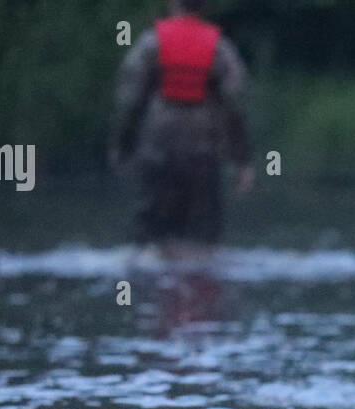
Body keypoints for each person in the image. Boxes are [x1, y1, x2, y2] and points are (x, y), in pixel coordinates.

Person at [108, 0, 254, 248]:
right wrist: (243, 161)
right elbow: (234, 107)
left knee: (151, 240)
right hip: (203, 154)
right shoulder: (220, 47)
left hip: (157, 150)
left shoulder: (150, 43)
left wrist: (122, 147)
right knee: (202, 243)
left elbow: (130, 102)